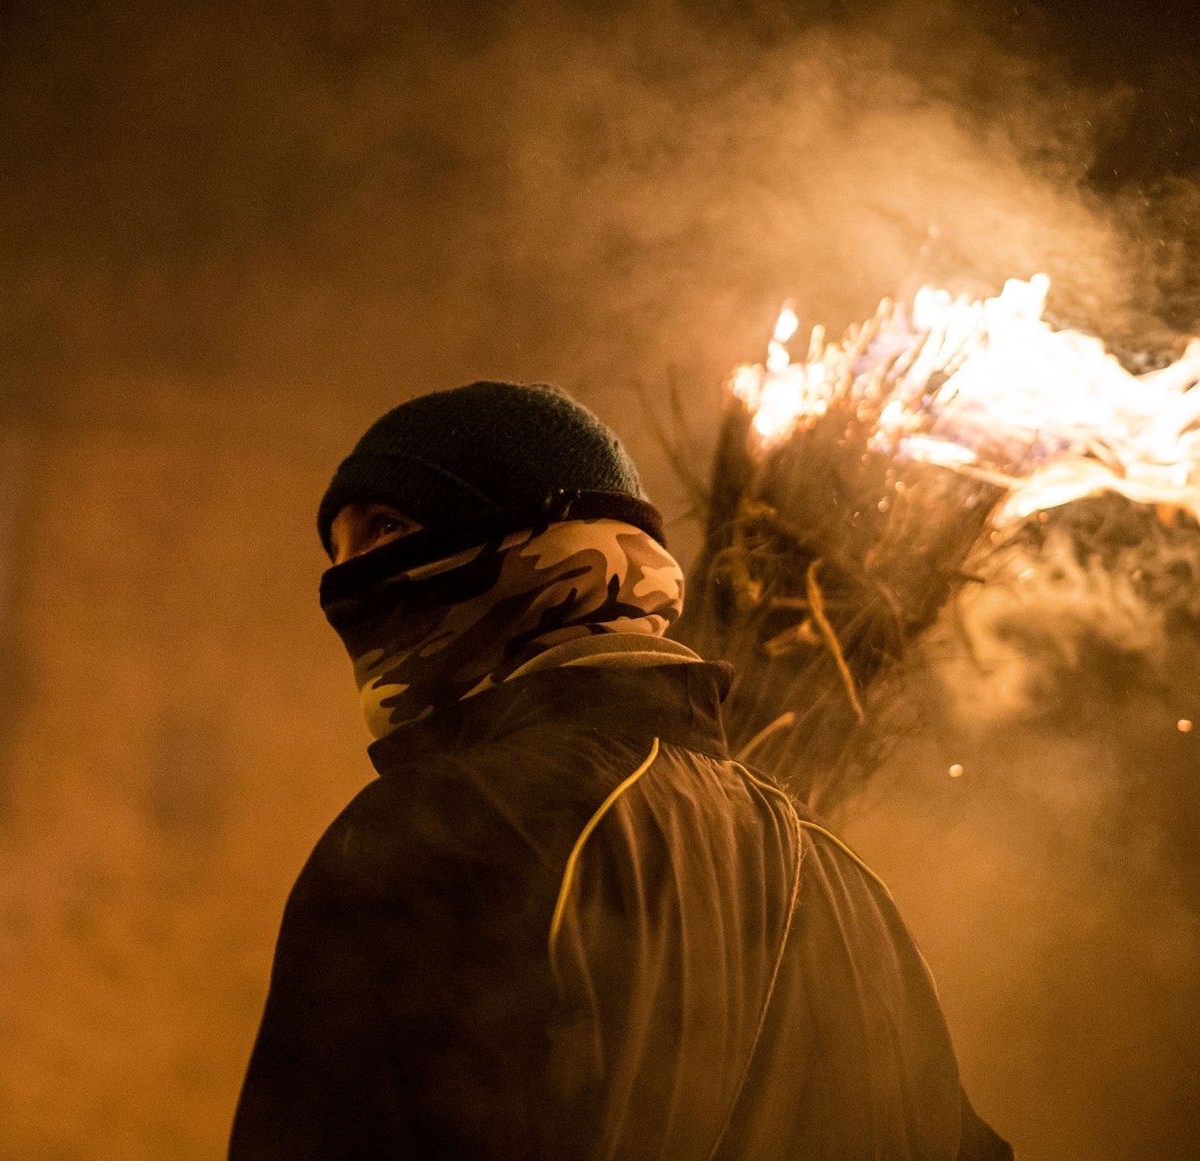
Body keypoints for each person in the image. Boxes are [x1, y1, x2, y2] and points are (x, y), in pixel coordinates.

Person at [228, 381, 1011, 1159]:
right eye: (344, 550)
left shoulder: (442, 830)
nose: (348, 583)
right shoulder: (850, 892)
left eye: (387, 529)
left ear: (549, 544)